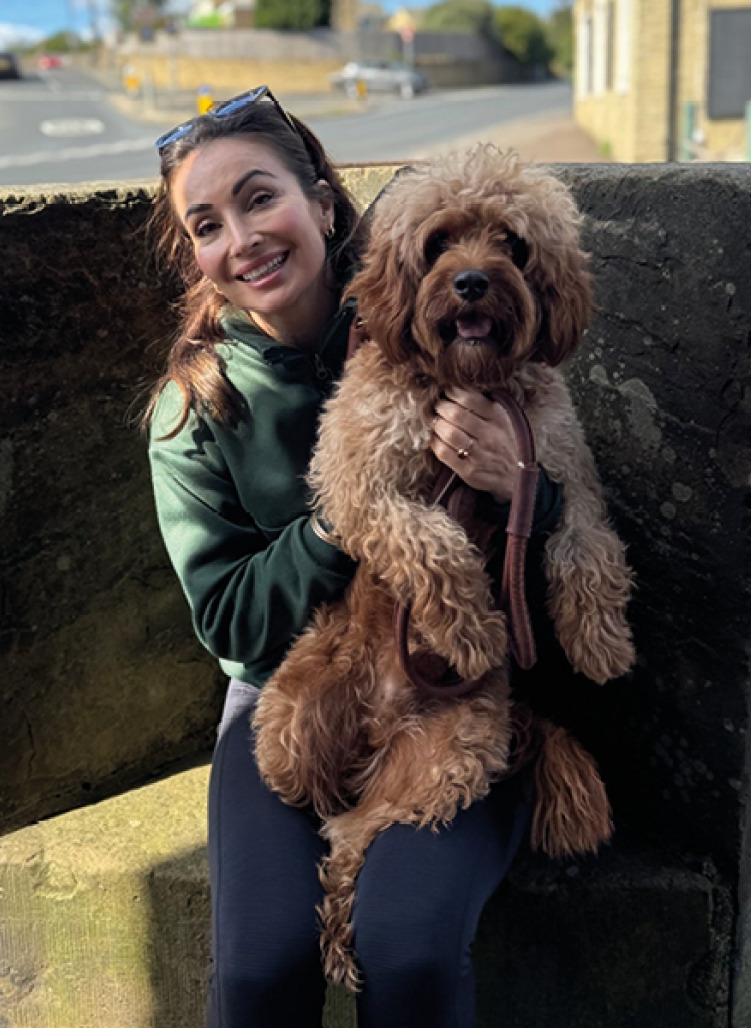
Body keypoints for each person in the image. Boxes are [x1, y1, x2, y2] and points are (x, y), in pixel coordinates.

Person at [144, 86, 565, 1028]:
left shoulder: (428, 314)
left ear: (321, 204)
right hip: (287, 696)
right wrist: (347, 517)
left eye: (260, 199)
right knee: (258, 973)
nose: (241, 237)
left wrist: (526, 485)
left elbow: (553, 501)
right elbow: (233, 626)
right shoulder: (193, 414)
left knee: (406, 946)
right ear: (197, 256)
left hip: (451, 690)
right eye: (206, 223)